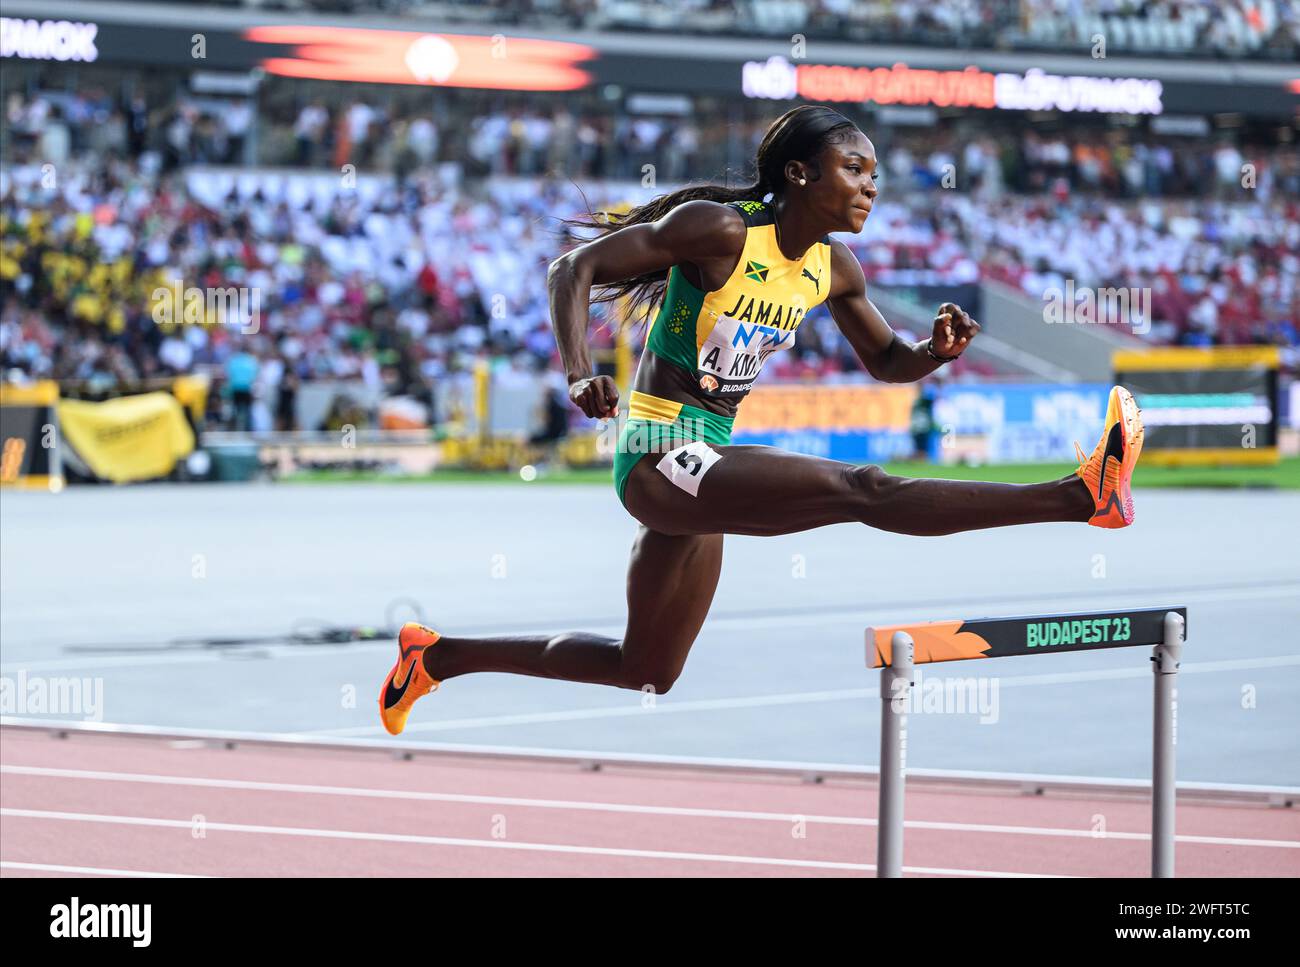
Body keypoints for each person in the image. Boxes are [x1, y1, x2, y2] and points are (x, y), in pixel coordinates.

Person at [378, 106, 1145, 735]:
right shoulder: (718, 230)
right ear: (799, 174)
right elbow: (570, 269)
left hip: (705, 463)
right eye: (854, 168)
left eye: (874, 173)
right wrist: (581, 372)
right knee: (863, 487)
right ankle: (1081, 496)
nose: (870, 186)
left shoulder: (833, 268)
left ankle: (436, 657)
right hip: (654, 454)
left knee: (646, 669)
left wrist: (933, 353)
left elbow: (885, 361)